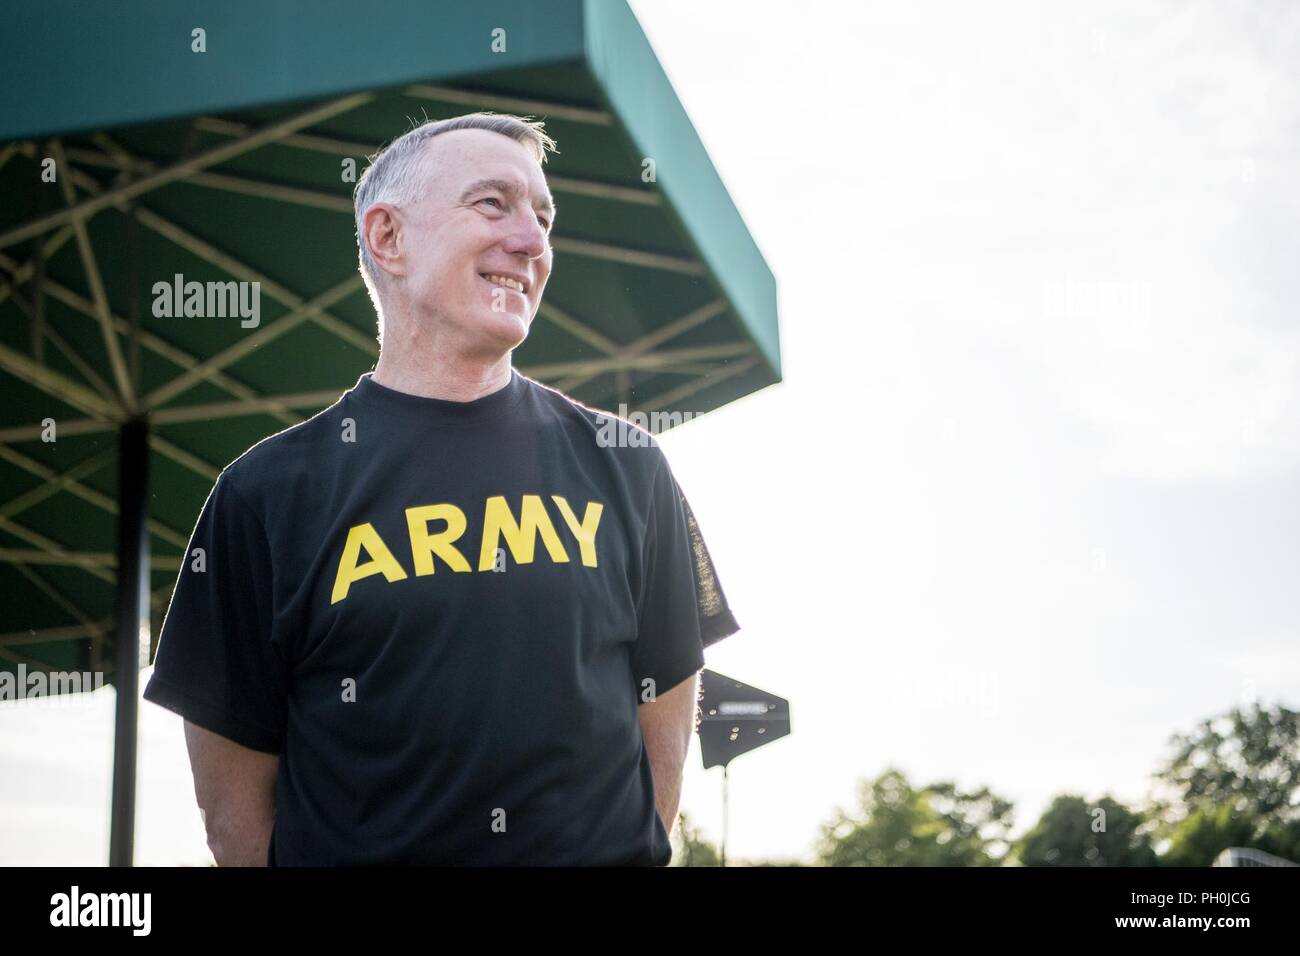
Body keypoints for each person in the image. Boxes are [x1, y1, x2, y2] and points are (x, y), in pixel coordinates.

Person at [143, 112, 740, 866]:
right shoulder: (264, 495)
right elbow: (233, 816)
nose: (531, 241)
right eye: (492, 204)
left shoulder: (627, 464)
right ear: (387, 238)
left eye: (543, 217)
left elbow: (667, 735)